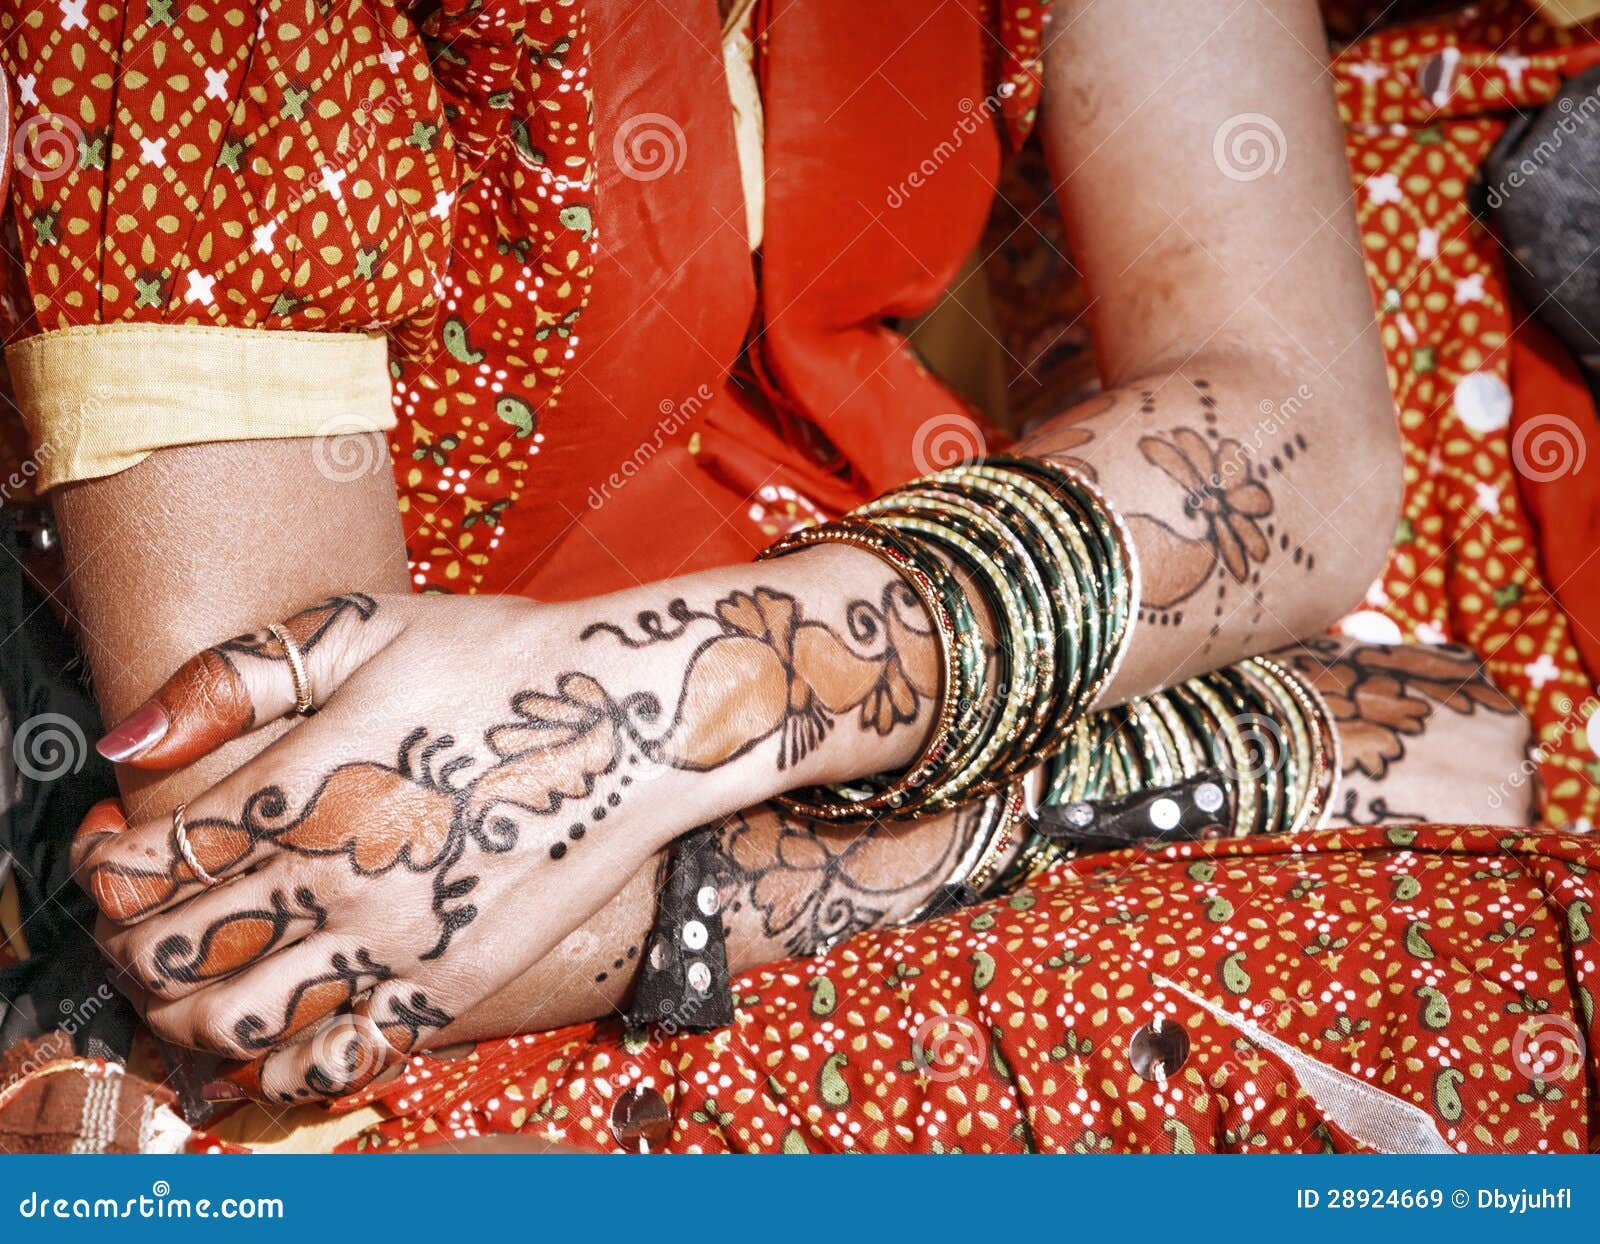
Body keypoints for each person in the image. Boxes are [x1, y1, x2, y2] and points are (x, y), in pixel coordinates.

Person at [0, 0, 1577, 1152]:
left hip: (875, 668)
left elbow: (1296, 429)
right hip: (535, 986)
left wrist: (690, 696)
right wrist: (1181, 766)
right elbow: (283, 898)